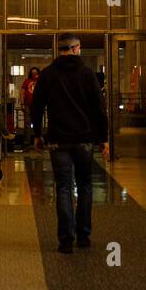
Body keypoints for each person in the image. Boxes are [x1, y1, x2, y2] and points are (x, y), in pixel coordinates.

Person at [31, 33, 109, 254]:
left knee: (63, 187)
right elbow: (99, 109)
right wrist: (103, 138)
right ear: (76, 49)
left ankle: (66, 239)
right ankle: (83, 235)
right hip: (84, 139)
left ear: (60, 50)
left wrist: (38, 134)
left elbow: (36, 107)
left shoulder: (48, 75)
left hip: (58, 140)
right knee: (84, 185)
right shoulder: (87, 74)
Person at [21, 67, 40, 150]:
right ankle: (26, 142)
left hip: (37, 105)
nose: (34, 74)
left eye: (36, 72)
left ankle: (38, 141)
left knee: (37, 123)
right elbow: (22, 92)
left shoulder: (40, 81)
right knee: (27, 124)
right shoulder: (26, 81)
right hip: (28, 104)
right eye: (32, 73)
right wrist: (22, 103)